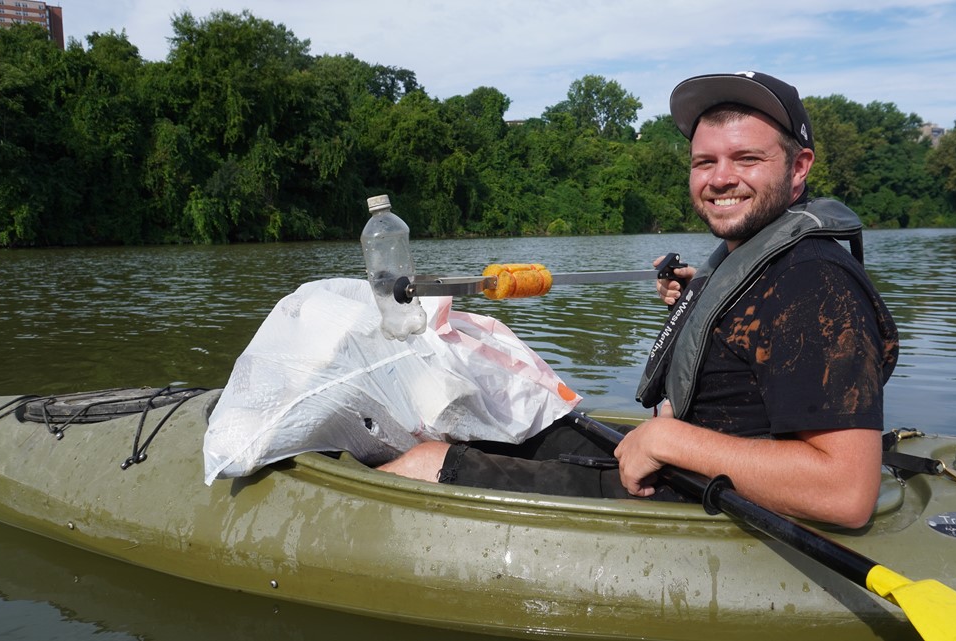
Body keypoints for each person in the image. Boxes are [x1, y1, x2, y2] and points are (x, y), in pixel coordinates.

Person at [380, 71, 898, 529]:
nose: (720, 178)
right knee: (485, 429)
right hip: (681, 466)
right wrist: (697, 301)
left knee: (426, 463)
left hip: (697, 497)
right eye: (705, 161)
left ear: (799, 166)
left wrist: (670, 442)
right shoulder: (761, 263)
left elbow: (845, 493)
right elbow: (750, 352)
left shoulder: (815, 284)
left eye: (747, 158)